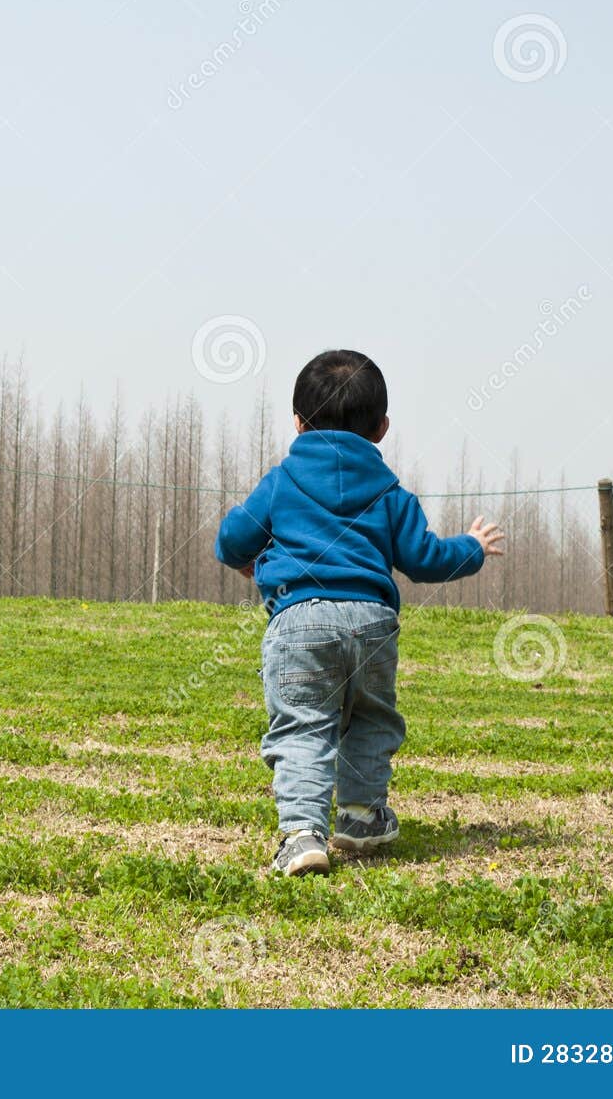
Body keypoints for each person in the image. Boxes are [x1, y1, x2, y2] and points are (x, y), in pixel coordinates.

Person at [214, 349, 505, 875]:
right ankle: (360, 815)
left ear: (298, 422)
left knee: (304, 725)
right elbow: (425, 559)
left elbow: (233, 539)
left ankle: (304, 835)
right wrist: (473, 547)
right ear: (383, 427)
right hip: (372, 624)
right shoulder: (392, 494)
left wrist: (250, 559)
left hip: (299, 621)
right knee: (371, 718)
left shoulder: (281, 482)